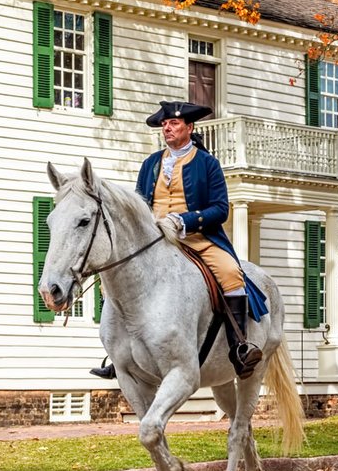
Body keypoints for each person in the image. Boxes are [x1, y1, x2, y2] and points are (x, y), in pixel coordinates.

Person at [91, 100, 266, 380]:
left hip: (197, 238)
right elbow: (139, 205)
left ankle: (239, 347)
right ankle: (120, 352)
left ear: (189, 127)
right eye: (164, 124)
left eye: (173, 123)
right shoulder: (151, 163)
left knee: (231, 273)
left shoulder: (208, 163)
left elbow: (220, 209)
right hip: (154, 240)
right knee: (115, 278)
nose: (167, 128)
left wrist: (185, 220)